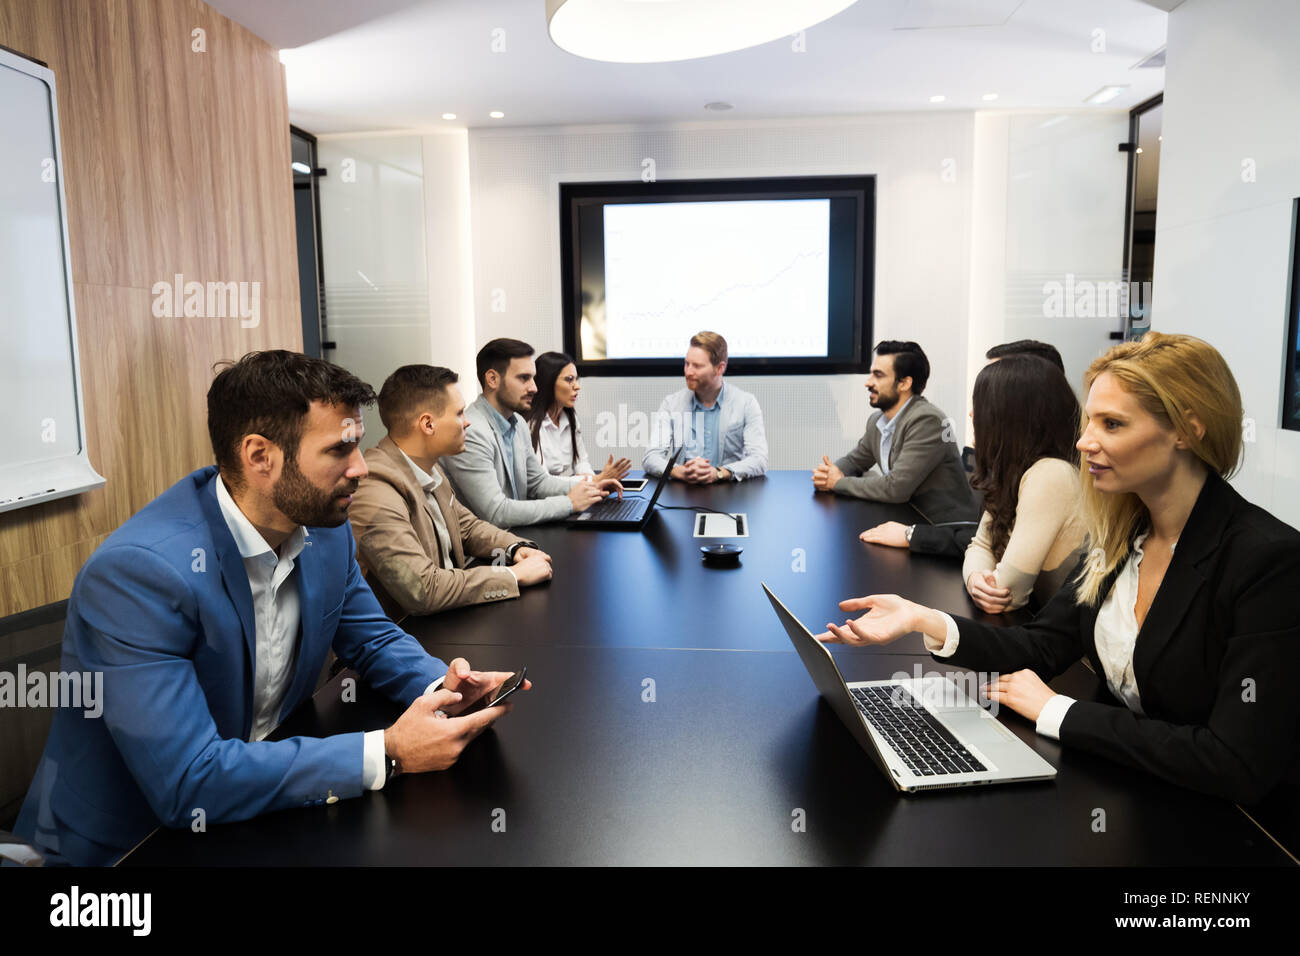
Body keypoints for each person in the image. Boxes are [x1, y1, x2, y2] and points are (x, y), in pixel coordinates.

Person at [14, 350, 526, 866]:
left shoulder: (322, 531)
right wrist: (388, 751)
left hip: (262, 809)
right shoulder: (138, 574)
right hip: (128, 848)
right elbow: (189, 781)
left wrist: (441, 690)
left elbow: (373, 638)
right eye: (339, 449)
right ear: (260, 457)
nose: (362, 467)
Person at [818, 333, 1300, 806]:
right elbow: (1042, 643)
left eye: (1112, 424)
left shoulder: (1266, 561)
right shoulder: (1121, 533)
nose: (1085, 442)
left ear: (1188, 429)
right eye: (1089, 421)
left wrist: (1060, 712)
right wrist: (921, 618)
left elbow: (1234, 762)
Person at [349, 364, 555, 619]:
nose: (467, 421)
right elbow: (422, 589)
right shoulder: (375, 491)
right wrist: (512, 575)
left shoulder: (429, 467)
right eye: (459, 413)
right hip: (409, 638)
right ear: (427, 424)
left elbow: (467, 527)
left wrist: (513, 548)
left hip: (445, 622)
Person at [860, 339, 1067, 557]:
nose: (974, 412)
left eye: (992, 391)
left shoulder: (1055, 475)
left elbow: (1004, 555)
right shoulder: (1010, 461)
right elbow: (986, 541)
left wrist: (911, 534)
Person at [441, 338, 621, 528]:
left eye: (533, 378)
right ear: (492, 379)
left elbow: (539, 483)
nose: (534, 388)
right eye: (523, 378)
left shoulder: (517, 423)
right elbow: (496, 512)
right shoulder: (472, 431)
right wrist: (569, 503)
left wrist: (591, 487)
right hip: (485, 552)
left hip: (514, 537)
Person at [959, 354, 1086, 612]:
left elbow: (1007, 595)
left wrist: (983, 582)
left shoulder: (1051, 474)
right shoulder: (1019, 471)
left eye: (982, 404)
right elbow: (980, 545)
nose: (973, 414)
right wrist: (975, 579)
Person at [813, 340, 976, 527]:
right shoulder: (877, 421)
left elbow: (895, 488)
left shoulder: (928, 421)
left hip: (941, 531)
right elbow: (855, 461)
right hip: (906, 521)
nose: (868, 383)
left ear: (904, 383)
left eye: (878, 375)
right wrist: (831, 473)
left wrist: (838, 483)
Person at [642, 330, 768, 483]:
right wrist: (678, 471)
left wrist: (718, 473)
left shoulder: (746, 403)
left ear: (720, 368)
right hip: (683, 495)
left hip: (730, 496)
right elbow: (651, 457)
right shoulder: (671, 404)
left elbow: (759, 459)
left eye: (697, 366)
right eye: (687, 364)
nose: (688, 372)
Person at [527, 350, 630, 481]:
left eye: (576, 379)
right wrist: (595, 481)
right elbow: (543, 482)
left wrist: (598, 484)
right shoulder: (530, 424)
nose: (577, 387)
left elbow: (581, 463)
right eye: (569, 380)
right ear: (548, 382)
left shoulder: (569, 417)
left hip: (565, 495)